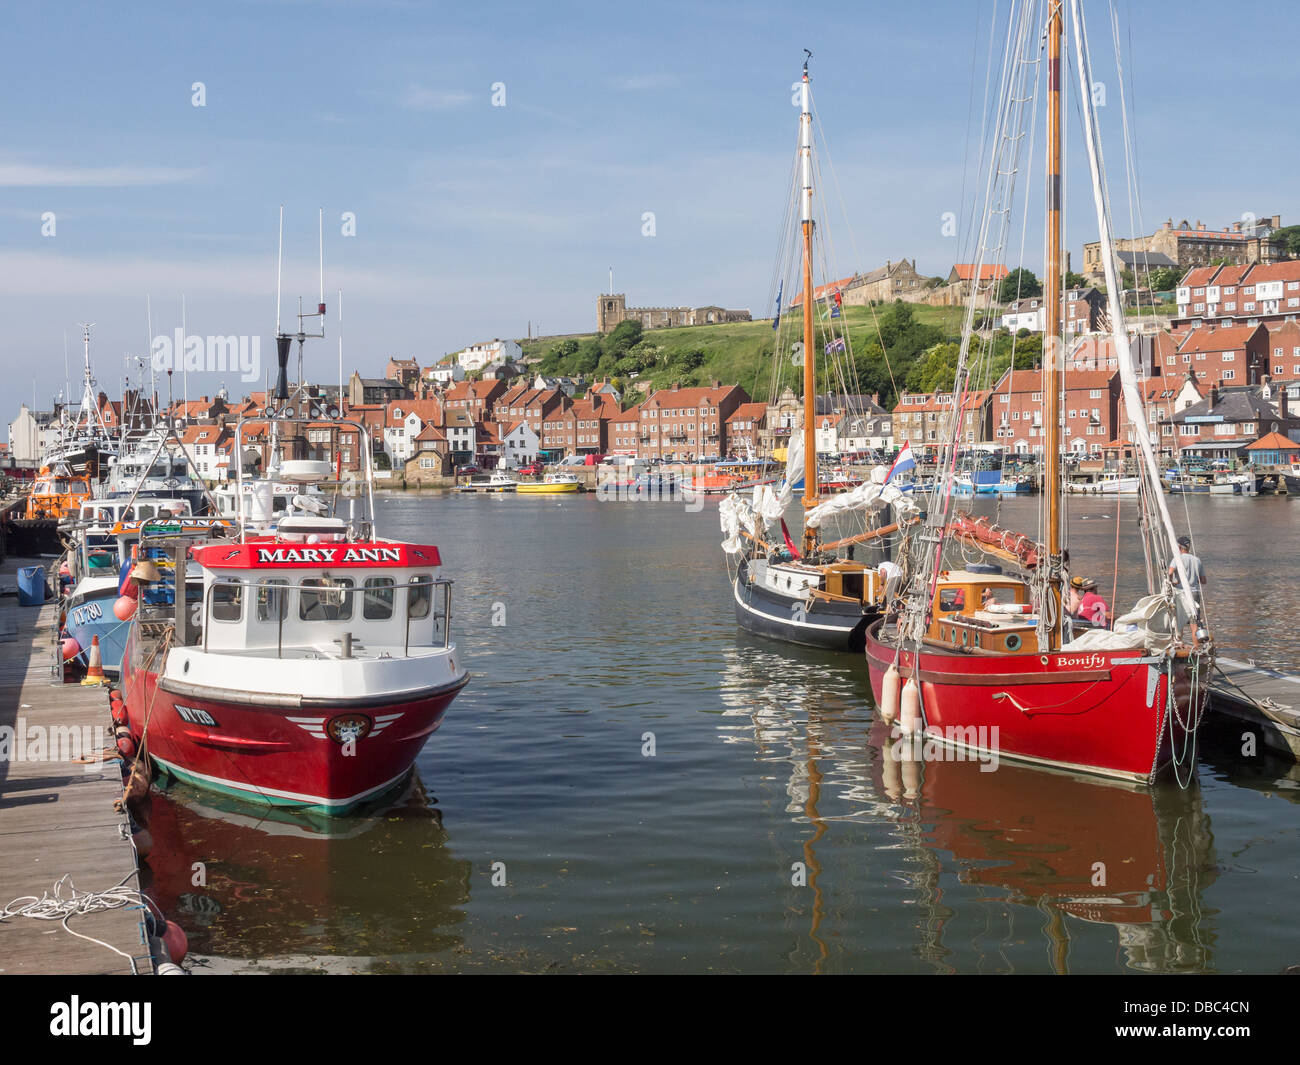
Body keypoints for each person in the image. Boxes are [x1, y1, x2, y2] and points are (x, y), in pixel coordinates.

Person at [1168, 535, 1206, 608]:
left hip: (1182, 593)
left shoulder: (1177, 559)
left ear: (1179, 547)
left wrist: (1172, 583)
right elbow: (1203, 581)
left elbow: (1170, 573)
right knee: (1195, 617)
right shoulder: (1197, 560)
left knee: (1182, 618)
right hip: (1195, 594)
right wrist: (1193, 579)